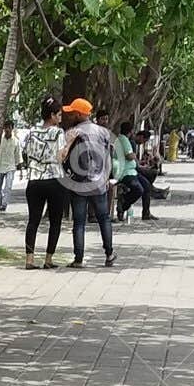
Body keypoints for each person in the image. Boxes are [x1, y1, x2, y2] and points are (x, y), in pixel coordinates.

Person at [57, 97, 114, 269]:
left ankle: (79, 259)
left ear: (80, 114)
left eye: (73, 112)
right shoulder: (103, 132)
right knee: (104, 218)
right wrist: (108, 177)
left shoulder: (73, 132)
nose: (71, 115)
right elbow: (108, 157)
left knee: (79, 222)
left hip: (79, 184)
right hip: (98, 184)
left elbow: (62, 157)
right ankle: (109, 254)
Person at [20, 96, 67, 269]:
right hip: (53, 178)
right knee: (55, 221)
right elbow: (61, 157)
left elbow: (25, 152)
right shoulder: (58, 132)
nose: (60, 118)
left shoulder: (31, 131)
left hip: (34, 180)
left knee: (33, 220)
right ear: (53, 116)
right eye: (59, 115)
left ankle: (29, 259)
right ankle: (48, 259)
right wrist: (69, 143)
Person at [111, 119, 141, 223]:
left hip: (132, 170)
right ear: (131, 131)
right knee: (138, 189)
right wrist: (134, 155)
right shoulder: (124, 140)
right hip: (125, 172)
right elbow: (129, 155)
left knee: (146, 184)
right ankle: (123, 205)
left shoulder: (122, 139)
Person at [0, 121, 19, 213]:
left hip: (10, 167)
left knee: (8, 187)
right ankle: (1, 200)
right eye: (5, 127)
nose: (7, 129)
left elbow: (17, 156)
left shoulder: (16, 141)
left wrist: (20, 169)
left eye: (9, 127)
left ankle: (4, 205)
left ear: (12, 128)